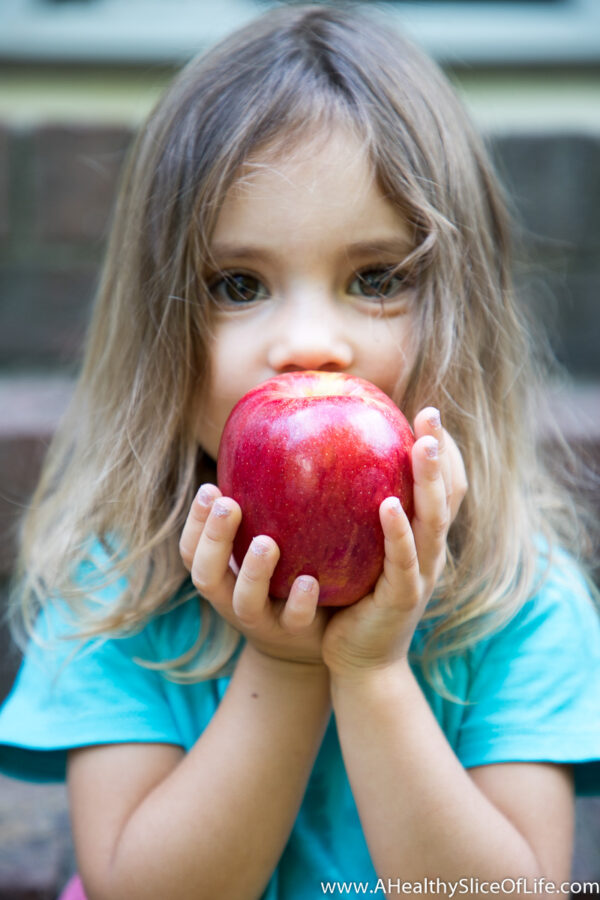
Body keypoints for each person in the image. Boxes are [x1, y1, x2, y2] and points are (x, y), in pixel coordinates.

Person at [1, 5, 599, 899]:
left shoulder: (518, 602)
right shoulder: (114, 591)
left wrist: (373, 670)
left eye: (376, 279)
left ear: (464, 316)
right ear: (160, 329)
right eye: (238, 285)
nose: (309, 344)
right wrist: (283, 666)